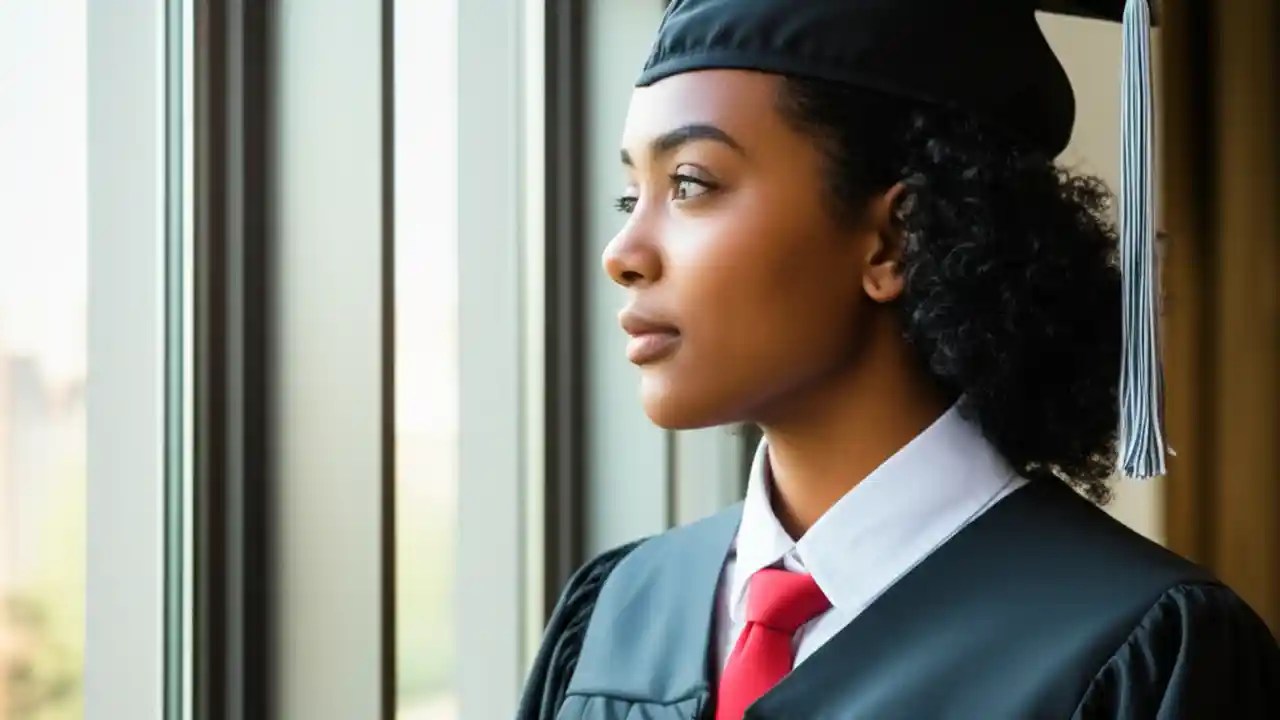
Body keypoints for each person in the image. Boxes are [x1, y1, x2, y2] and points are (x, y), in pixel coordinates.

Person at [518, 0, 1280, 717]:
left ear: (894, 240)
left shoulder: (1135, 650)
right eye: (631, 197)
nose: (622, 253)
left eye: (689, 184)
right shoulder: (617, 614)